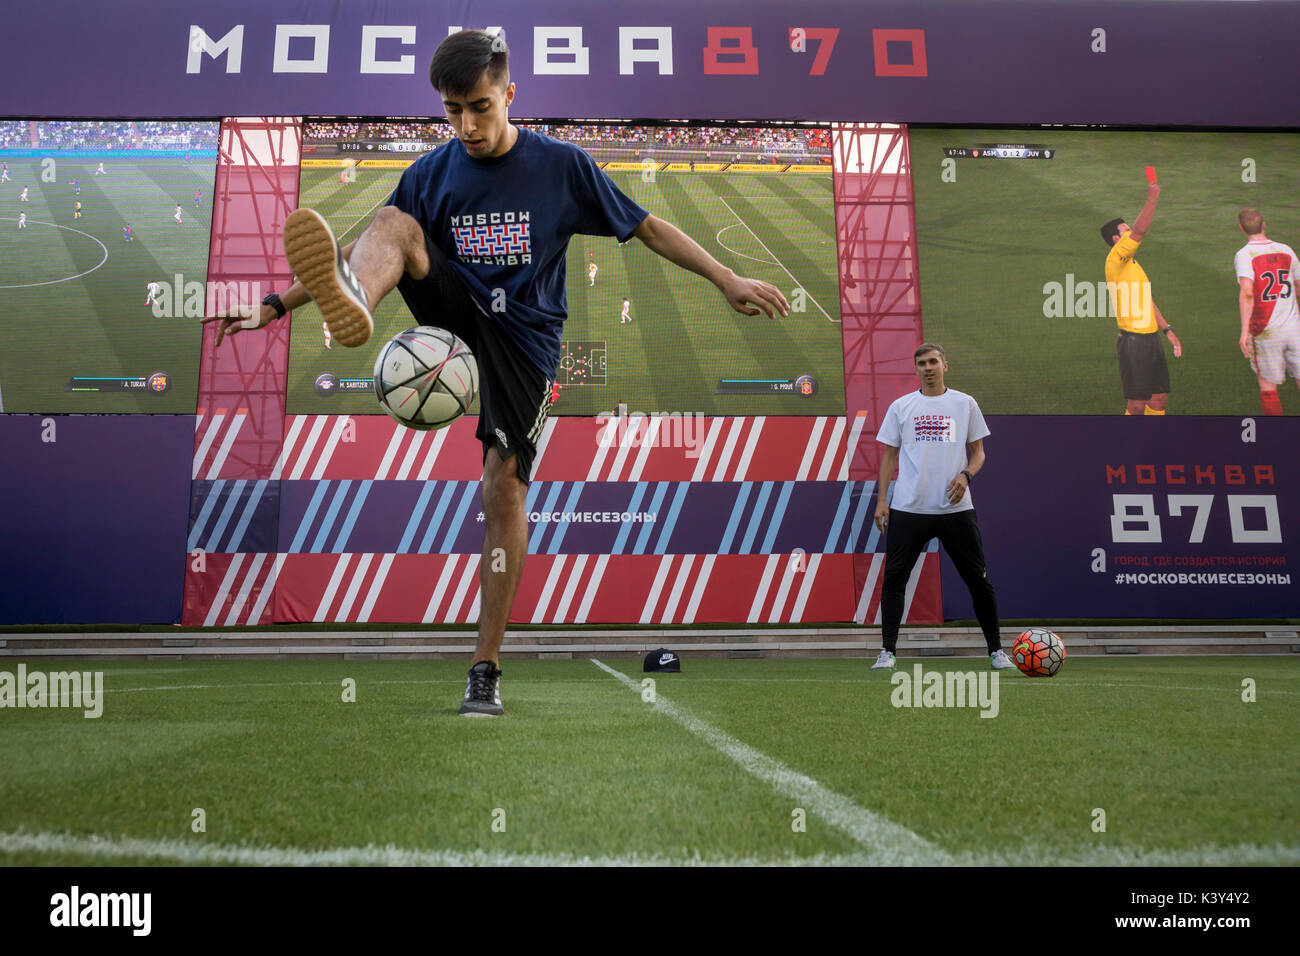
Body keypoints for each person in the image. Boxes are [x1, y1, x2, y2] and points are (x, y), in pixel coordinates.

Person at [203, 30, 788, 717]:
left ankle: (485, 667)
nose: (467, 126)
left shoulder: (561, 167)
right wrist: (275, 306)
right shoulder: (432, 173)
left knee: (500, 488)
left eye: (480, 107)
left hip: (523, 340)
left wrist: (726, 278)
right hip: (454, 309)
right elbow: (367, 242)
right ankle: (359, 305)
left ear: (510, 94)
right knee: (393, 221)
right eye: (452, 111)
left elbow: (648, 227)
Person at [871, 344, 1012, 671]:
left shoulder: (964, 404)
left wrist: (966, 475)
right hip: (908, 509)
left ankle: (996, 652)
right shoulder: (901, 407)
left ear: (945, 365)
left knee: (979, 581)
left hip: (955, 510)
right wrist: (882, 501)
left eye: (933, 361)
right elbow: (889, 457)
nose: (928, 367)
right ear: (916, 368)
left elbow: (979, 452)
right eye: (921, 363)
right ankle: (887, 652)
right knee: (894, 580)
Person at [1100, 179, 1182, 415]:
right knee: (1136, 405)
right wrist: (1152, 199)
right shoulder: (1116, 258)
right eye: (1125, 230)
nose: (1131, 231)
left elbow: (1147, 300)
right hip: (1133, 341)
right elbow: (1140, 230)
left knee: (1158, 400)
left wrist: (1167, 329)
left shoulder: (1133, 264)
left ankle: (1153, 447)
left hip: (1152, 338)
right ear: (1117, 240)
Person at [1234, 207, 1299, 415]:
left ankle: (1275, 439)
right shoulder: (1286, 250)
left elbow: (1247, 293)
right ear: (1264, 225)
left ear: (1242, 228)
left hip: (1265, 331)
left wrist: (1244, 332)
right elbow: (1298, 286)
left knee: (1268, 388)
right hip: (1294, 329)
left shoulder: (1245, 255)